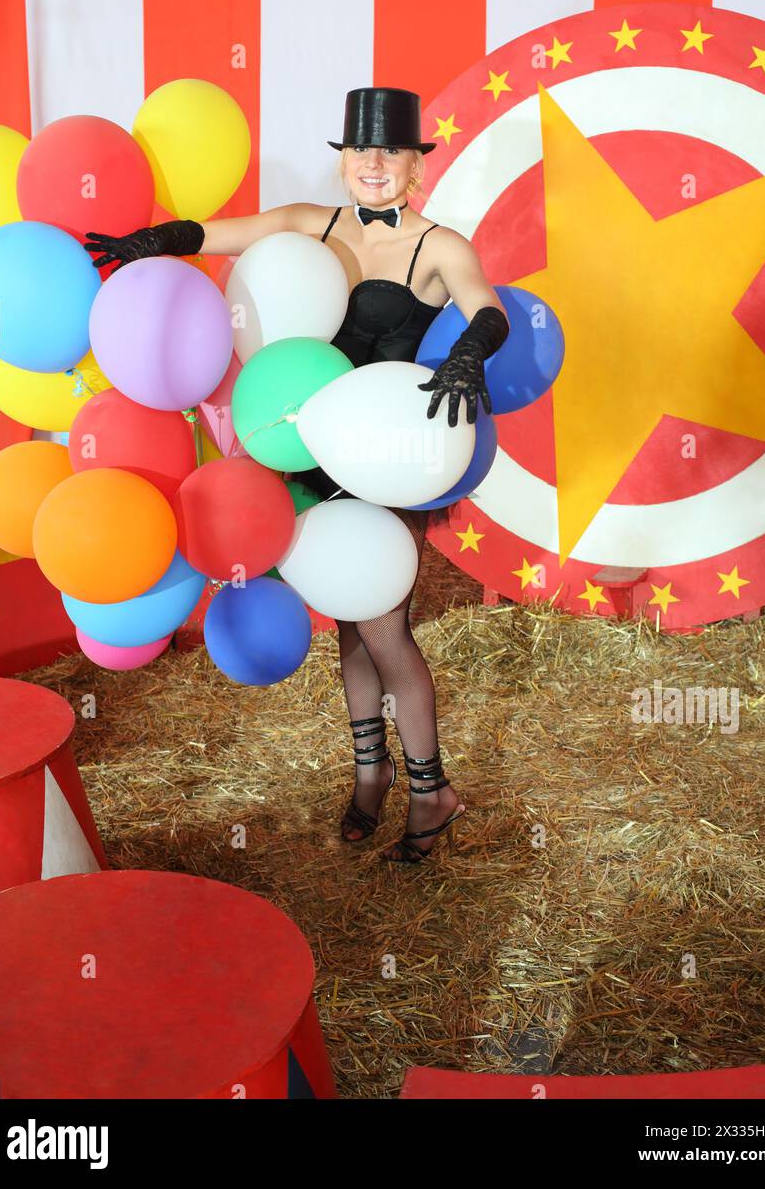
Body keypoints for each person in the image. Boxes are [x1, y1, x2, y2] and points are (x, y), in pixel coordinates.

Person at [85, 86, 509, 863]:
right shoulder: (306, 226)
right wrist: (147, 244)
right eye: (359, 151)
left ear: (416, 164)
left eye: (390, 152)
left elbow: (488, 307)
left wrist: (469, 353)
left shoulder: (438, 246)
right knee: (347, 619)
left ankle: (431, 791)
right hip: (312, 451)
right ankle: (369, 777)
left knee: (385, 626)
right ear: (343, 161)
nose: (373, 164)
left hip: (388, 458)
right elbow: (217, 235)